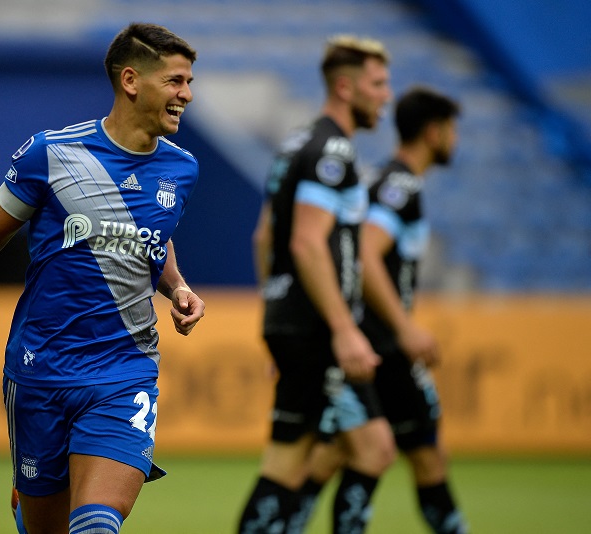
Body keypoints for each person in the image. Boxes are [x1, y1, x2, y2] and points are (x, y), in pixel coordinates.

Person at [0, 22, 205, 534]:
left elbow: (153, 236)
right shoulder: (52, 153)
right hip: (40, 368)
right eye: (176, 81)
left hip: (124, 369)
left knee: (95, 524)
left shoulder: (183, 169)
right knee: (48, 527)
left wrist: (176, 286)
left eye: (188, 82)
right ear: (132, 81)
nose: (187, 95)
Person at [238, 35, 395, 534]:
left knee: (304, 457)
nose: (386, 95)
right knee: (370, 448)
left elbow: (265, 235)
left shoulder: (294, 144)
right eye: (378, 83)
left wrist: (275, 314)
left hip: (294, 319)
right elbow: (307, 243)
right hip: (318, 328)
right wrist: (345, 328)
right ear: (346, 88)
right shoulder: (334, 151)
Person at [360, 86, 468, 533]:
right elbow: (367, 253)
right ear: (434, 132)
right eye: (452, 130)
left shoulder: (391, 181)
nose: (455, 140)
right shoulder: (400, 185)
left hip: (373, 339)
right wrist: (405, 328)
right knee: (412, 453)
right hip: (382, 343)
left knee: (358, 454)